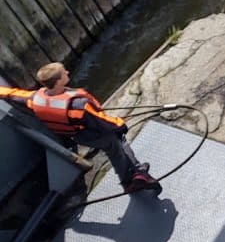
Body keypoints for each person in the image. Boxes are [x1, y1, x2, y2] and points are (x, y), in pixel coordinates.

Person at [0, 62, 161, 194]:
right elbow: (101, 122)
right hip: (93, 133)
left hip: (76, 135)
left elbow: (12, 94)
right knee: (116, 144)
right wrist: (119, 125)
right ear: (58, 82)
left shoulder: (34, 99)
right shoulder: (78, 105)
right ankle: (132, 180)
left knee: (116, 146)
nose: (67, 72)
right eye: (64, 72)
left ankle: (136, 173)